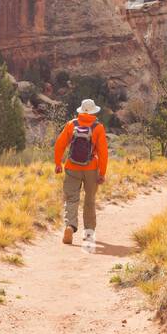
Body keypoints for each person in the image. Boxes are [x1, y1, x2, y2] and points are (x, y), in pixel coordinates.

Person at [53, 98, 108, 247]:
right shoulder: (98, 127)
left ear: (81, 111)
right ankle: (89, 233)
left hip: (72, 167)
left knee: (71, 199)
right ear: (94, 111)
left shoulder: (71, 124)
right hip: (91, 168)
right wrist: (102, 173)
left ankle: (70, 226)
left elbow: (59, 144)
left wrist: (58, 163)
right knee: (89, 200)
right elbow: (103, 153)